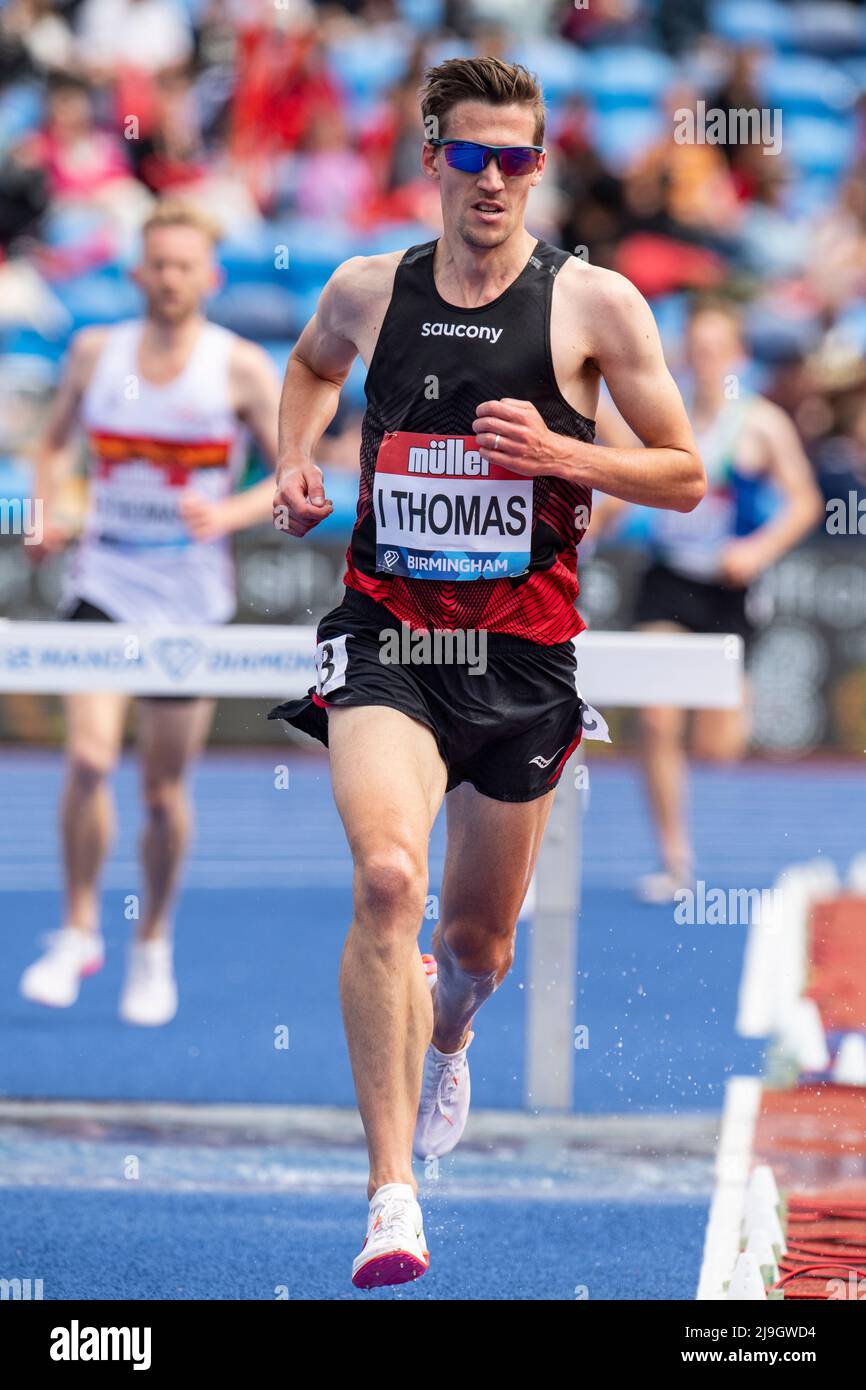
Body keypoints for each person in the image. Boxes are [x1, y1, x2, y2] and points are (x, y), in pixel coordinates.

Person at [269, 56, 705, 1288]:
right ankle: (390, 1194)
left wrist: (568, 453)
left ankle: (448, 1033)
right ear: (433, 161)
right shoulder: (368, 290)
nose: (497, 181)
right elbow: (306, 368)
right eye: (473, 156)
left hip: (519, 654)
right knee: (386, 878)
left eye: (519, 158)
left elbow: (681, 469)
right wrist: (295, 459)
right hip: (390, 636)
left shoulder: (595, 305)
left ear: (538, 168)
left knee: (475, 946)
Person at [19, 199, 281, 1025]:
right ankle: (76, 927)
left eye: (182, 266)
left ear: (207, 277)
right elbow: (53, 445)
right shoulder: (97, 353)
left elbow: (294, 475)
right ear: (136, 272)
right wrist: (42, 511)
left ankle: (153, 941)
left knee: (165, 793)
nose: (168, 279)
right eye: (155, 265)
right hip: (103, 582)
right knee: (90, 760)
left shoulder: (237, 367)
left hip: (188, 602)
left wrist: (230, 515)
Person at [592, 298, 823, 901]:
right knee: (656, 717)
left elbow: (805, 502)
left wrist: (757, 551)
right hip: (668, 581)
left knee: (718, 747)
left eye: (717, 348)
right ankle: (674, 859)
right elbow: (625, 481)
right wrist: (602, 520)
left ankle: (687, 832)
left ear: (737, 356)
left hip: (729, 589)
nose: (705, 358)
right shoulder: (662, 418)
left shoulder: (760, 425)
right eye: (696, 348)